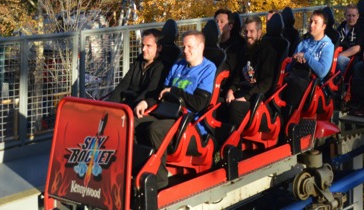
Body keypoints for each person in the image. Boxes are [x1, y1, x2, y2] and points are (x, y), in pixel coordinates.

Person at [135, 31, 217, 189]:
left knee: (155, 129)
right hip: (167, 112)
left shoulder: (208, 68)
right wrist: (145, 102)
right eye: (183, 47)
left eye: (189, 47)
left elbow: (199, 103)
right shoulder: (178, 65)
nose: (185, 50)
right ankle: (137, 172)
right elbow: (162, 92)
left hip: (189, 123)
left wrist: (174, 91)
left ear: (201, 47)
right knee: (134, 123)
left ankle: (159, 183)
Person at [221, 16, 280, 127]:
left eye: (251, 31)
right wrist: (230, 90)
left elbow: (265, 83)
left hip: (258, 100)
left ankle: (237, 137)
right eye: (246, 32)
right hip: (242, 93)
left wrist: (246, 97)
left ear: (259, 32)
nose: (248, 35)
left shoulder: (268, 51)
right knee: (219, 103)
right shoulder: (244, 50)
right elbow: (237, 75)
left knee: (235, 107)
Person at [280, 10, 335, 120]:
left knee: (295, 84)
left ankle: (289, 120)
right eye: (310, 22)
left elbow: (322, 72)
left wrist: (306, 57)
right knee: (280, 83)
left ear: (323, 26)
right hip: (295, 76)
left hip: (314, 86)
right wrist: (294, 60)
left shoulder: (328, 46)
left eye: (315, 22)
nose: (311, 25)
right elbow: (288, 68)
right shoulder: (303, 43)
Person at [107, 29, 165, 109]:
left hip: (139, 106)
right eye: (142, 45)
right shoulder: (139, 61)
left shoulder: (161, 67)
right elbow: (124, 84)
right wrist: (110, 105)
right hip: (126, 102)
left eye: (148, 46)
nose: (143, 49)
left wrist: (130, 108)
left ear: (159, 48)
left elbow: (150, 91)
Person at [335, 5, 364, 73]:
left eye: (353, 15)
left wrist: (338, 56)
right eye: (349, 15)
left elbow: (358, 48)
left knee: (340, 59)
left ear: (358, 16)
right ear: (345, 15)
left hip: (352, 59)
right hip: (337, 53)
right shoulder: (342, 26)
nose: (351, 18)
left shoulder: (361, 28)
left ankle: (340, 79)